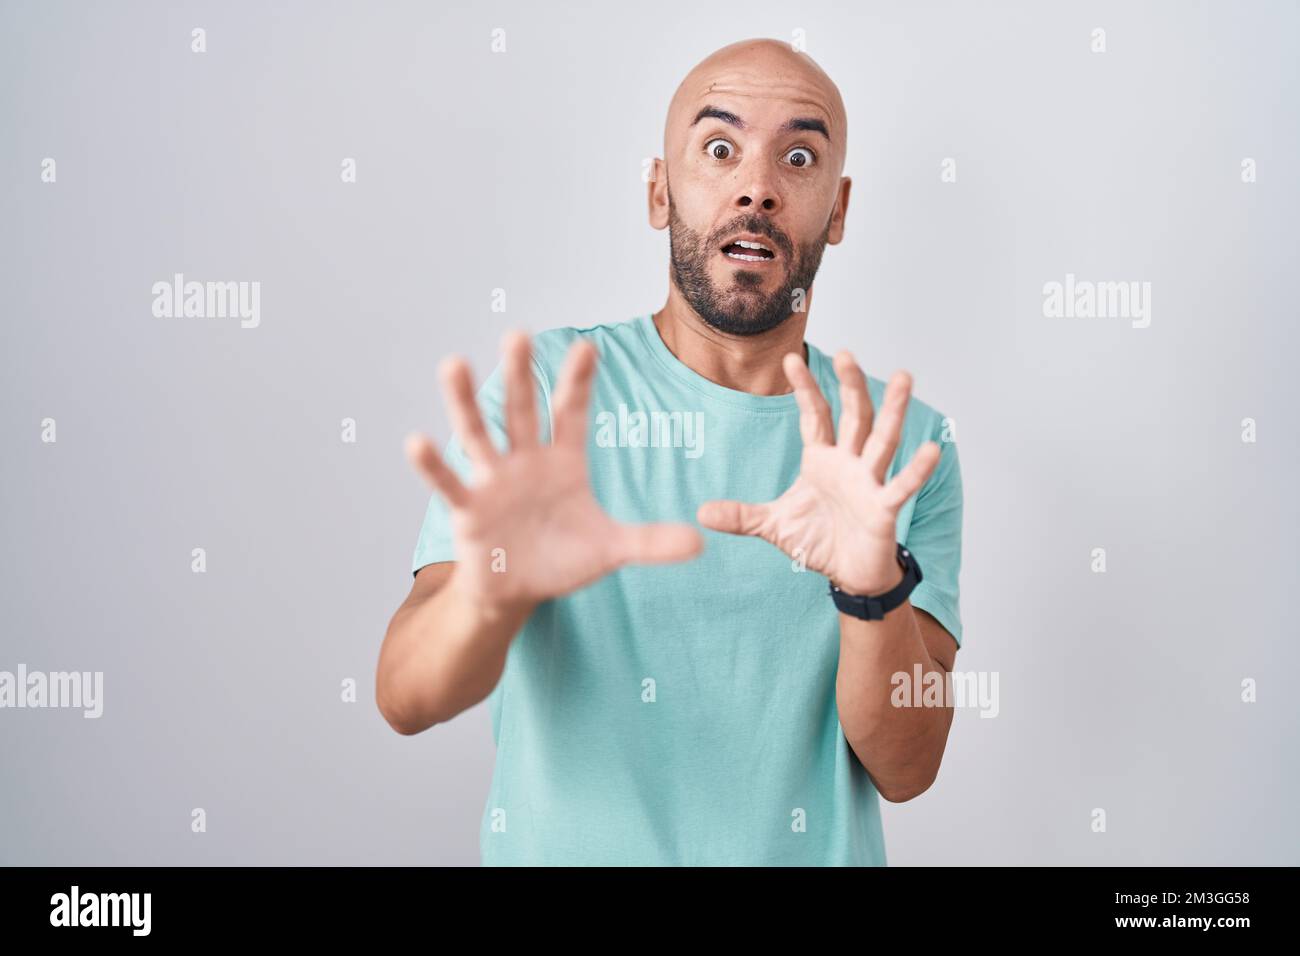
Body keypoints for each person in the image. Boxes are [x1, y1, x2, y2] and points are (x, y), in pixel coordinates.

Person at [376, 37, 964, 866]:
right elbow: (405, 697)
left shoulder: (901, 446)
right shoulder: (551, 396)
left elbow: (908, 769)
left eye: (799, 157)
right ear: (660, 190)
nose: (756, 187)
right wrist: (496, 590)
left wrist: (871, 590)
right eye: (719, 149)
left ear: (837, 209)